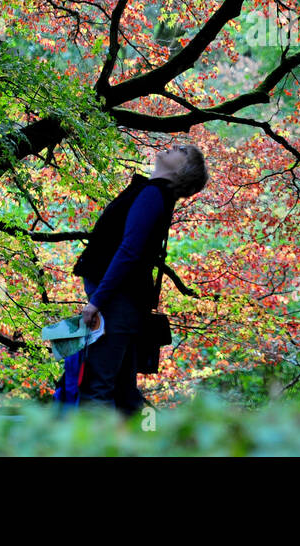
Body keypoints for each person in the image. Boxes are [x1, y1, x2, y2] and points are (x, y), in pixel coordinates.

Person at [68, 141, 207, 414]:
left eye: (181, 150)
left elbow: (129, 252)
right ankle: (153, 442)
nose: (173, 146)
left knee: (97, 388)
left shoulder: (153, 194)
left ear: (182, 170)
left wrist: (96, 302)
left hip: (116, 303)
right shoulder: (154, 195)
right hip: (124, 303)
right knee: (124, 392)